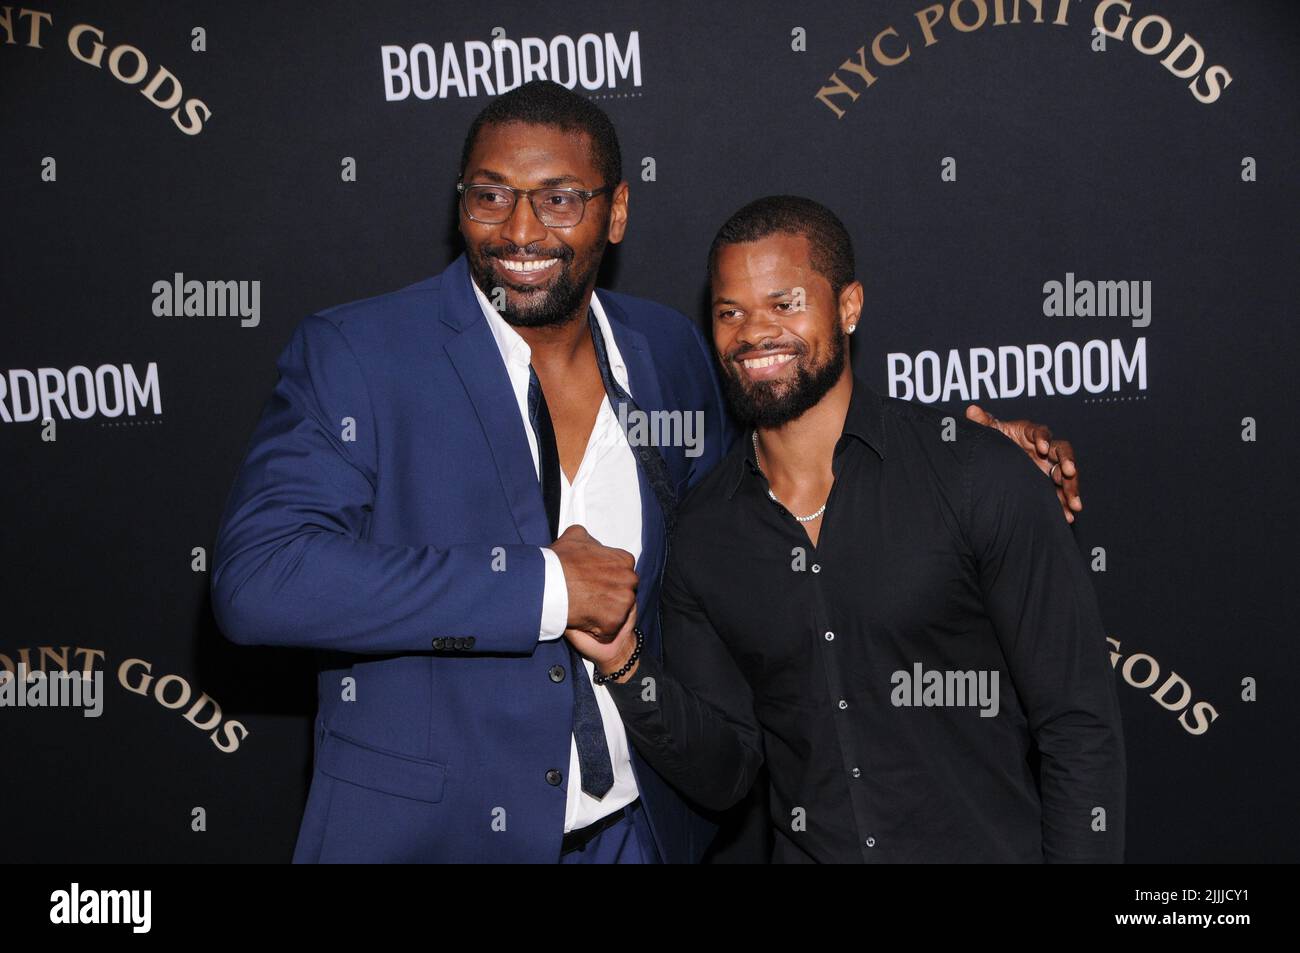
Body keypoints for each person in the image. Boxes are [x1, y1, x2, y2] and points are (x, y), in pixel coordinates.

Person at [212, 81, 1087, 863]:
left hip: (644, 830)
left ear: (615, 211)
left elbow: (775, 457)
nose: (521, 230)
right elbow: (260, 580)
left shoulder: (667, 350)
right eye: (491, 197)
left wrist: (964, 447)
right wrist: (546, 588)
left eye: (559, 199)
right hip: (433, 838)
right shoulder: (360, 354)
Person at [591, 196, 1126, 863]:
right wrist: (625, 665)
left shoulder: (973, 474)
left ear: (848, 307)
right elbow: (723, 774)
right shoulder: (705, 536)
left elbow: (1077, 725)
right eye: (731, 311)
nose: (754, 333)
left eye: (785, 303)